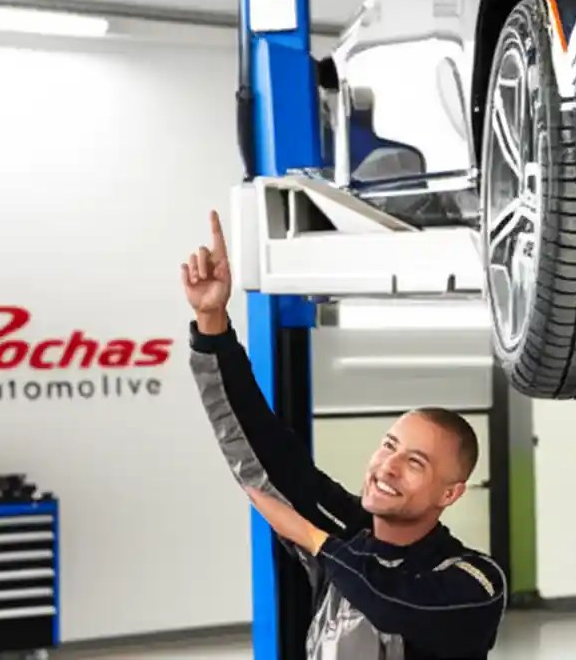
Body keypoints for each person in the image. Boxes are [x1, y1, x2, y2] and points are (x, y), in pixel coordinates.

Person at [180, 210, 507, 659]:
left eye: (415, 462)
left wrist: (314, 541)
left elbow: (396, 603)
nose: (388, 467)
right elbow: (262, 445)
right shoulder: (346, 537)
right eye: (389, 446)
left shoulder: (475, 580)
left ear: (450, 493)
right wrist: (212, 323)